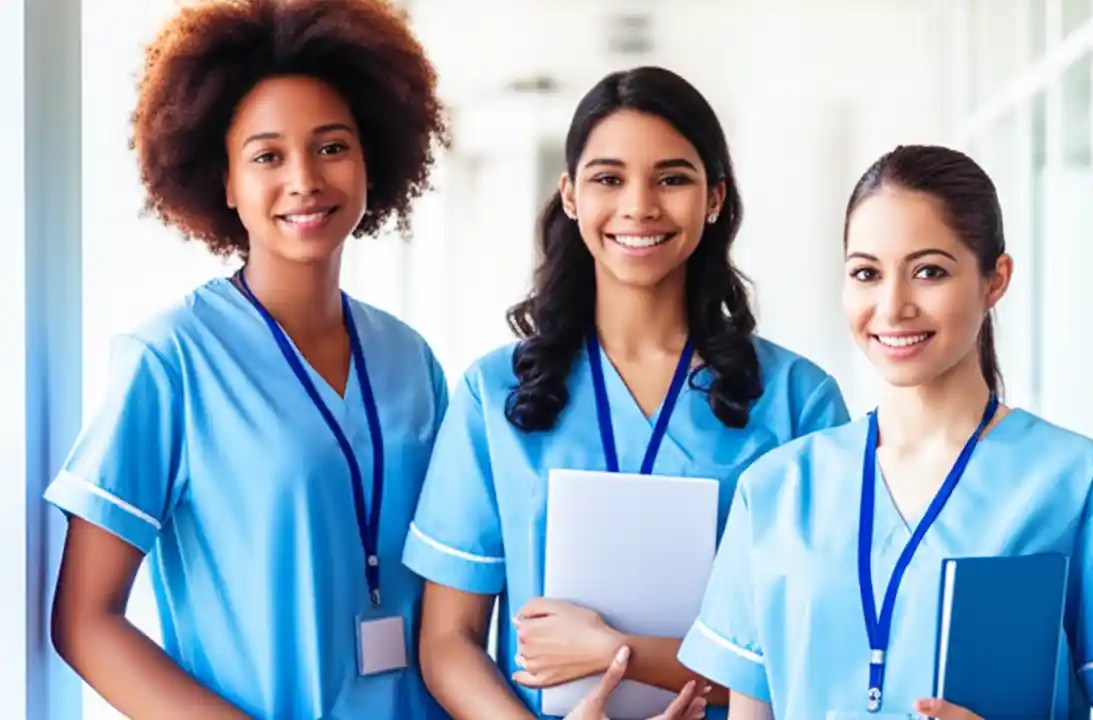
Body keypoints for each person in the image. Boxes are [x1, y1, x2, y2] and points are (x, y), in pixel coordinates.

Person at [677, 144, 1093, 720]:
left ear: (995, 280)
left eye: (929, 271)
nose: (893, 306)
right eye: (866, 273)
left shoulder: (1082, 485)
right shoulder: (777, 490)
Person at [401, 66, 850, 719]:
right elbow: (449, 640)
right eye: (609, 178)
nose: (639, 206)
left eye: (672, 178)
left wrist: (619, 652)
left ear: (715, 198)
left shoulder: (797, 402)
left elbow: (818, 648)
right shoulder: (492, 394)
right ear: (571, 195)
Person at [44, 1, 451, 717]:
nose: (305, 179)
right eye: (267, 156)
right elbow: (85, 621)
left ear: (371, 157)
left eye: (332, 146)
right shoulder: (169, 361)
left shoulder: (411, 362)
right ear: (224, 180)